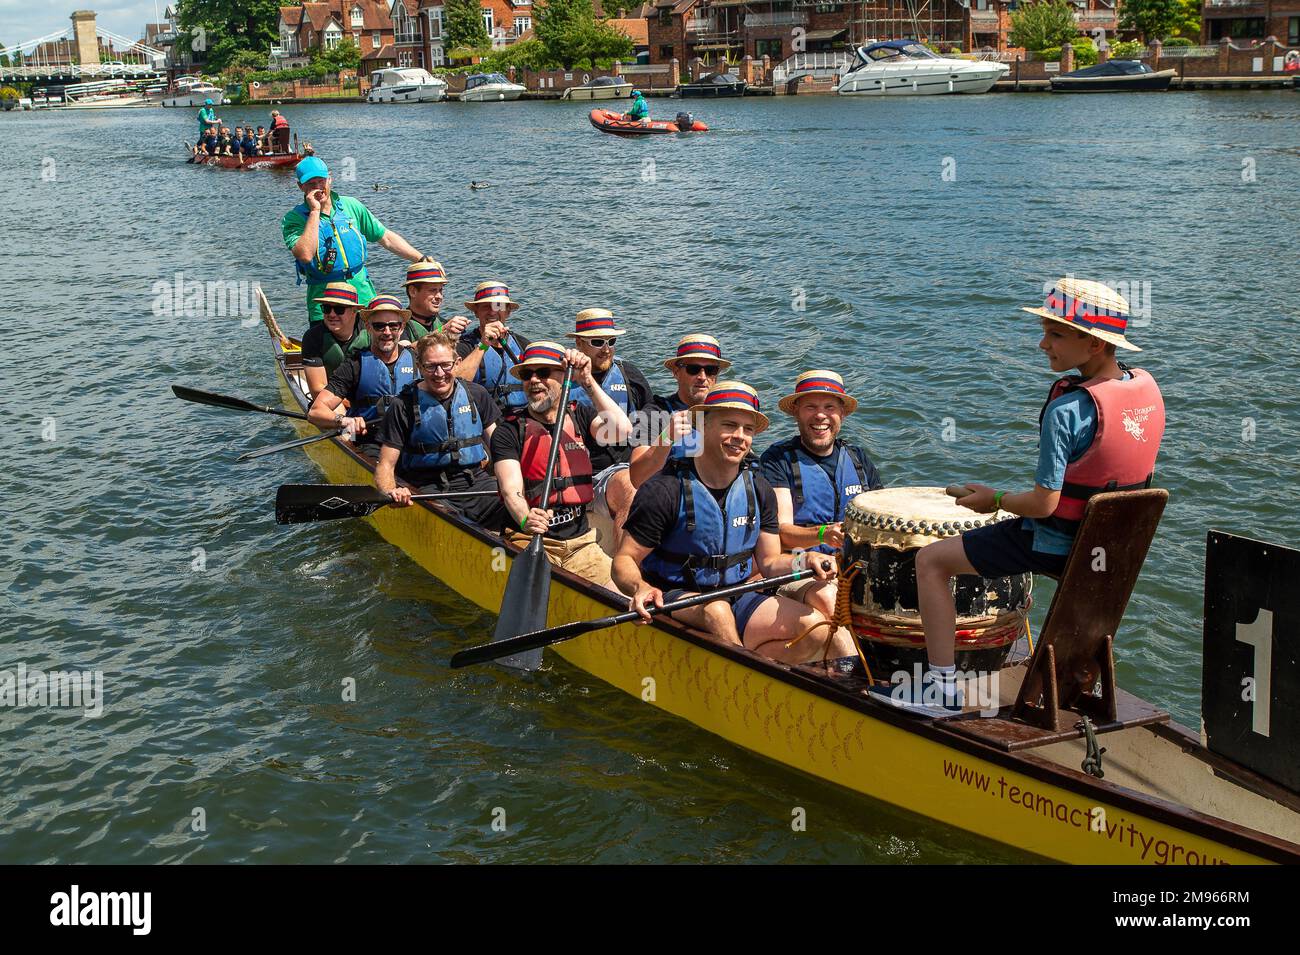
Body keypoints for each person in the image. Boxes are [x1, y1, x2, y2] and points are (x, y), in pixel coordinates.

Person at [880, 277, 1166, 716]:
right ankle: (1072, 681)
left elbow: (1044, 504)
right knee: (985, 547)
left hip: (1055, 543)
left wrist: (993, 499)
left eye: (1055, 334)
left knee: (931, 561)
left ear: (1093, 344)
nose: (1042, 344)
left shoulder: (1067, 410)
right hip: (1110, 549)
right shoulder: (1147, 391)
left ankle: (939, 691)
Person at [614, 381, 853, 663]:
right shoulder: (665, 490)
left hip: (736, 595)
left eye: (748, 429)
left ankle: (764, 670)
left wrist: (806, 561)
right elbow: (623, 562)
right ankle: (746, 677)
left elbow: (771, 563)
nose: (740, 436)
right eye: (729, 425)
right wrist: (640, 588)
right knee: (716, 610)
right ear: (702, 426)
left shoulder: (759, 488)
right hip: (675, 595)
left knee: (815, 628)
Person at [490, 342, 633, 587]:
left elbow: (622, 429)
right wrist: (526, 518)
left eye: (543, 373)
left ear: (563, 377)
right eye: (527, 374)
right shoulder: (509, 430)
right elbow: (510, 490)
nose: (534, 380)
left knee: (620, 595)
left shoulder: (580, 416)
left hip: (581, 543)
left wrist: (587, 381)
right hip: (530, 540)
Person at [760, 369, 883, 618]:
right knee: (829, 598)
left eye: (829, 407)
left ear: (842, 414)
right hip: (796, 565)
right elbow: (781, 533)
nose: (820, 416)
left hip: (851, 568)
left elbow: (883, 517)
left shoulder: (858, 458)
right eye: (810, 407)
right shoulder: (777, 460)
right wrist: (823, 534)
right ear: (796, 411)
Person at [376, 332, 507, 531]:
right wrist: (391, 491)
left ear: (457, 363)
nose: (439, 373)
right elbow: (385, 465)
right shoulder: (402, 405)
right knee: (458, 524)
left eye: (445, 365)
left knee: (515, 505)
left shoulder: (477, 395)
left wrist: (516, 490)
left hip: (477, 482)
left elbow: (502, 453)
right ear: (419, 367)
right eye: (431, 366)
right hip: (428, 488)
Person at [283, 155, 427, 325]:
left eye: (321, 181)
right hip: (326, 304)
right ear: (300, 186)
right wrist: (315, 211)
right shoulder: (293, 219)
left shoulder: (351, 206)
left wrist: (421, 259)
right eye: (311, 184)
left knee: (372, 347)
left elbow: (386, 237)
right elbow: (305, 255)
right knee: (334, 352)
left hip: (362, 296)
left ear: (330, 178)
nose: (318, 188)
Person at [563, 308, 653, 552]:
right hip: (579, 473)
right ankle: (627, 570)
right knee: (628, 487)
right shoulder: (560, 377)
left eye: (611, 341)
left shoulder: (629, 374)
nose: (606, 348)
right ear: (579, 343)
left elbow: (650, 422)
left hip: (623, 466)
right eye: (597, 342)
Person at [307, 294, 420, 454]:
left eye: (393, 326)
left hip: (411, 438)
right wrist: (344, 420)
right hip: (371, 442)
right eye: (379, 326)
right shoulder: (354, 365)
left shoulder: (418, 361)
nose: (387, 332)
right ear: (368, 327)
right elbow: (315, 412)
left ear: (401, 328)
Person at [627, 334, 731, 488]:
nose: (702, 377)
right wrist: (666, 438)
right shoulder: (653, 413)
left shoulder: (728, 414)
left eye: (710, 370)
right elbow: (637, 478)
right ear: (676, 371)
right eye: (693, 369)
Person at [454, 281, 531, 414]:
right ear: (476, 312)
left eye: (498, 306)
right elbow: (454, 384)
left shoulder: (522, 344)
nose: (492, 312)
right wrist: (483, 345)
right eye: (485, 307)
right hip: (486, 419)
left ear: (508, 312)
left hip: (521, 416)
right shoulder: (463, 346)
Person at [300, 282, 369, 396]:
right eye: (327, 308)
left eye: (339, 309)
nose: (331, 314)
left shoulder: (371, 330)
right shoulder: (313, 337)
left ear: (354, 311)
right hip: (331, 400)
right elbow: (317, 389)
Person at [403, 260, 469, 338]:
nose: (439, 296)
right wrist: (443, 330)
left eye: (440, 290)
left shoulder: (443, 324)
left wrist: (484, 344)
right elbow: (406, 349)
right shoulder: (397, 328)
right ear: (413, 292)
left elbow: (473, 348)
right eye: (432, 290)